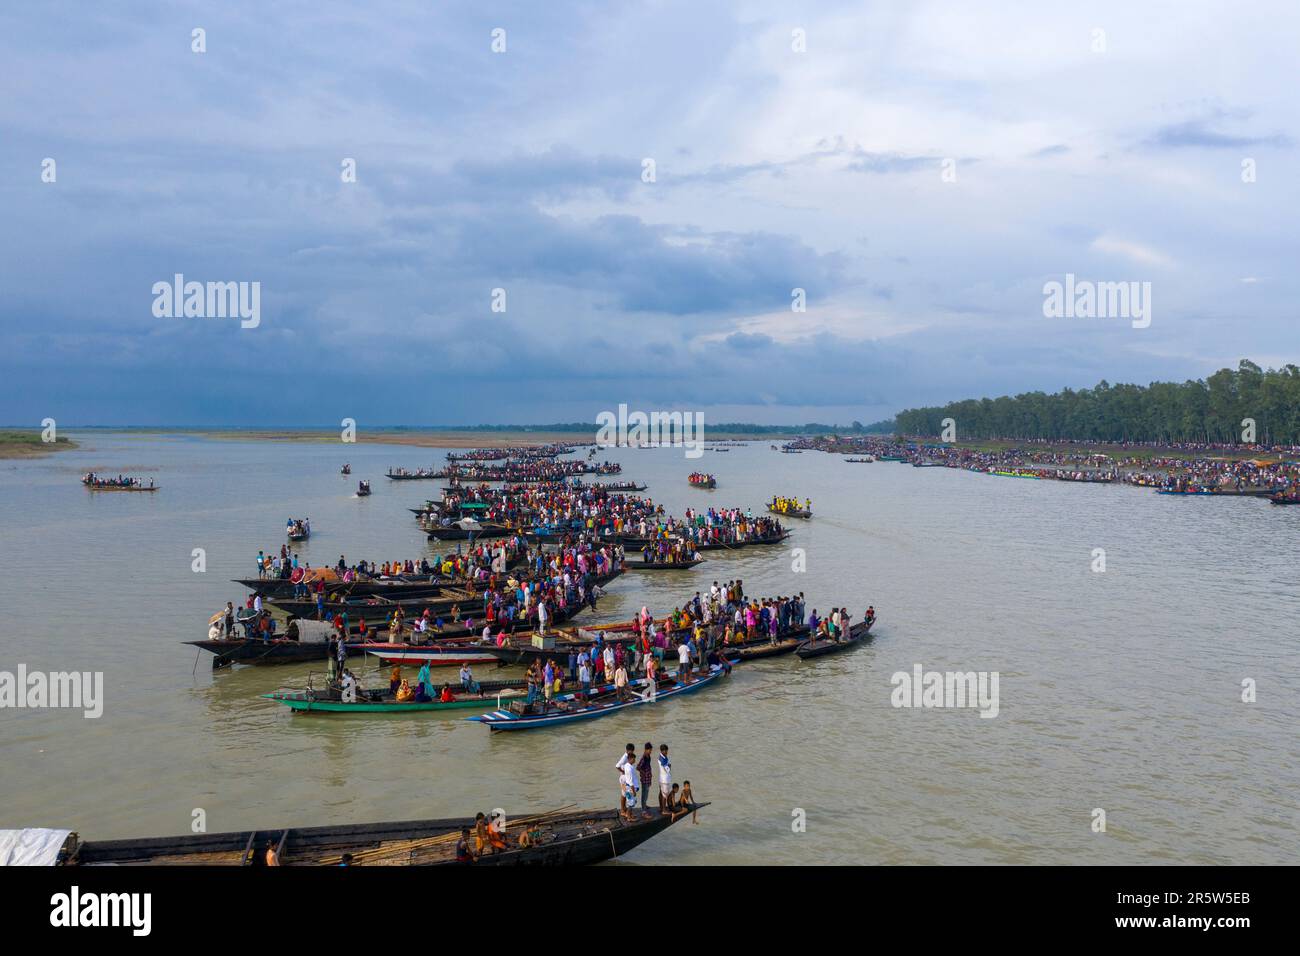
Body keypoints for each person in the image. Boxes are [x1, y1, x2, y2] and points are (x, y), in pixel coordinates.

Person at [637, 743, 654, 812]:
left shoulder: (648, 756)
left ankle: (645, 805)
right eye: (649, 750)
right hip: (644, 780)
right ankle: (643, 810)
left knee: (646, 794)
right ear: (646, 749)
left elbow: (648, 767)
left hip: (648, 779)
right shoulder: (643, 758)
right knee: (644, 794)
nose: (650, 751)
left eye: (651, 750)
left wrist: (650, 775)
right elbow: (638, 767)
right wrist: (644, 773)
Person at [657, 744, 672, 814]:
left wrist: (669, 765)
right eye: (665, 750)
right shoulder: (663, 759)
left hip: (661, 778)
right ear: (662, 751)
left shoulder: (661, 757)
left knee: (661, 793)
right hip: (665, 780)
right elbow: (668, 769)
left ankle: (661, 807)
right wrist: (669, 766)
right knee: (664, 795)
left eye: (666, 750)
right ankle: (664, 810)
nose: (666, 752)